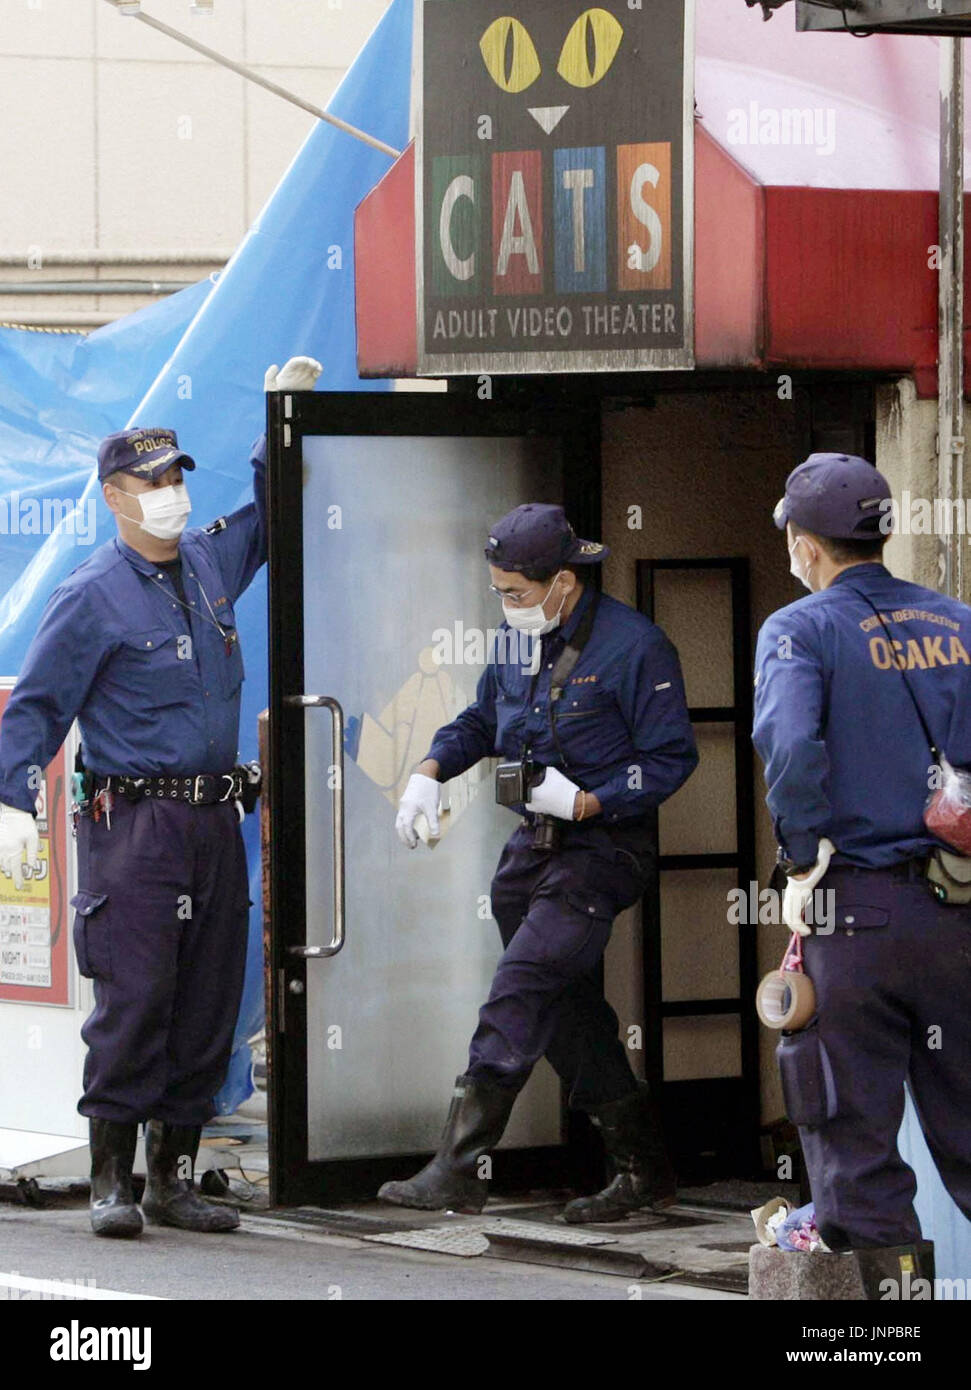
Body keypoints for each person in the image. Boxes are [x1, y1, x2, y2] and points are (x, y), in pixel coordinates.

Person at [0, 356, 321, 1238]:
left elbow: (273, 516)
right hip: (135, 828)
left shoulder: (209, 558)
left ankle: (171, 1180)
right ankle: (112, 1178)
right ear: (114, 496)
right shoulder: (89, 596)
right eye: (150, 483)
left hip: (215, 822)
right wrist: (9, 806)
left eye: (175, 478)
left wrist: (278, 418)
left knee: (208, 998)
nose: (169, 494)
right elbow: (36, 706)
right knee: (137, 998)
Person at [383, 503, 698, 1220]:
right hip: (530, 852)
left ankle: (459, 1166)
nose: (504, 605)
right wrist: (429, 771)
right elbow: (481, 721)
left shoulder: (635, 647)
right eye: (497, 591)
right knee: (565, 1012)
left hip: (601, 850)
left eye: (515, 593)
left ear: (563, 581)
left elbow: (673, 758)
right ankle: (644, 1171)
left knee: (520, 988)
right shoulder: (512, 642)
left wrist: (589, 802)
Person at [752, 451, 971, 1284]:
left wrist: (800, 856)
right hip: (955, 914)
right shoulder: (956, 622)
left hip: (858, 913)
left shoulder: (798, 628)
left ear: (805, 546)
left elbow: (788, 744)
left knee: (853, 1146)